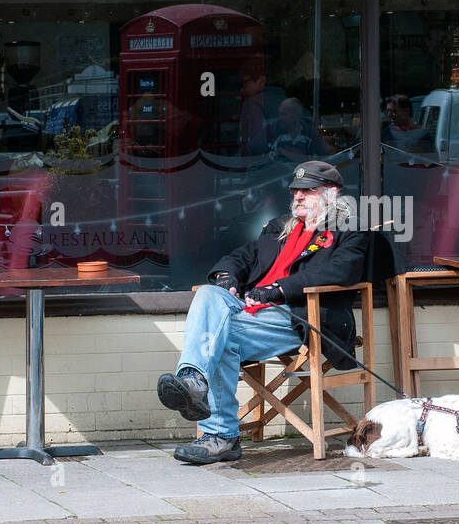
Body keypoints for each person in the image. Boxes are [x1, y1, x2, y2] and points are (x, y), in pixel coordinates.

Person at [157, 160, 366, 464]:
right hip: (249, 312)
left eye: (307, 191)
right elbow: (241, 256)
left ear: (330, 194)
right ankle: (194, 381)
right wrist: (227, 277)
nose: (297, 196)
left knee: (219, 338)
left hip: (295, 318)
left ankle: (220, 435)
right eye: (295, 190)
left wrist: (279, 289)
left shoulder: (348, 230)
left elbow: (342, 270)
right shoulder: (281, 227)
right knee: (210, 296)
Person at [266, 97, 330, 162]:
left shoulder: (309, 132)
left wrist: (286, 153)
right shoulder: (272, 130)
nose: (280, 118)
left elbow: (324, 154)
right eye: (279, 114)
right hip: (279, 171)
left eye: (284, 114)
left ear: (297, 115)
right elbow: (259, 154)